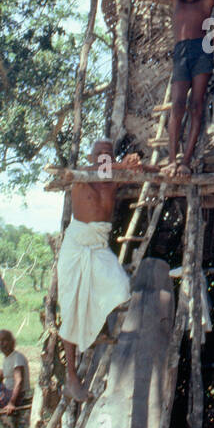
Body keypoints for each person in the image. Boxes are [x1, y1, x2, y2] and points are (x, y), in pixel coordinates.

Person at [56, 138, 142, 402]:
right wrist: (121, 163)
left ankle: (99, 322)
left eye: (109, 153)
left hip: (99, 246)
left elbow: (140, 171)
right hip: (77, 246)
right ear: (92, 157)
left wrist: (139, 165)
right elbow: (102, 170)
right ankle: (71, 377)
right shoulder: (83, 175)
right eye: (99, 153)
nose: (104, 156)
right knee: (70, 311)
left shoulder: (112, 180)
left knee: (120, 286)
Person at [158, 0, 214, 178]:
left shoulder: (206, 3)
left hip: (202, 51)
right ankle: (172, 160)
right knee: (178, 105)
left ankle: (186, 160)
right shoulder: (177, 3)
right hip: (181, 53)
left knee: (196, 106)